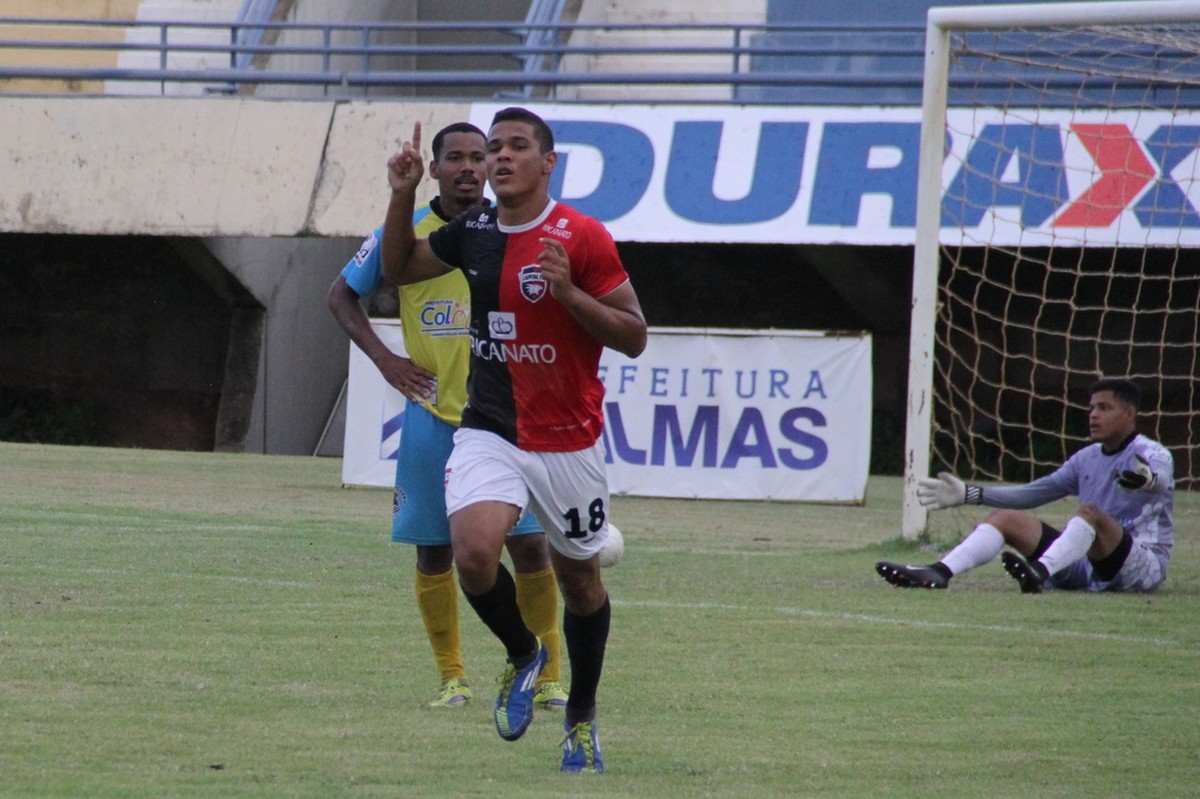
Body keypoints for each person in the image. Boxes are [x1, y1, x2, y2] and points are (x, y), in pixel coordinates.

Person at [380, 107, 647, 774]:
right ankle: (526, 655)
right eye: (493, 146)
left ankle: (581, 718)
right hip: (489, 427)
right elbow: (399, 269)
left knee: (581, 582)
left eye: (515, 146)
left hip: (567, 441)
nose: (499, 157)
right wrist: (402, 193)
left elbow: (634, 333)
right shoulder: (471, 231)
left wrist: (567, 295)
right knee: (472, 552)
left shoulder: (581, 236)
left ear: (546, 162)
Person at [326, 121, 567, 712]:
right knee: (435, 551)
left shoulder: (514, 228)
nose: (467, 167)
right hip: (436, 420)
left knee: (532, 550)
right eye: (453, 158)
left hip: (509, 424)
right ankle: (452, 677)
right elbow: (341, 293)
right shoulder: (403, 235)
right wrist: (386, 360)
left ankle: (551, 676)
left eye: (477, 156)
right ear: (433, 169)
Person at [877, 377, 1174, 594]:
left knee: (1090, 514)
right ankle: (940, 572)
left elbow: (1159, 479)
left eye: (1104, 407)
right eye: (1092, 408)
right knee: (1004, 518)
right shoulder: (1086, 458)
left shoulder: (1152, 454)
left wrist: (1147, 480)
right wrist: (970, 493)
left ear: (1130, 414)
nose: (1093, 415)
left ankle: (1038, 572)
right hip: (1084, 565)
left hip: (1140, 568)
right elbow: (1033, 494)